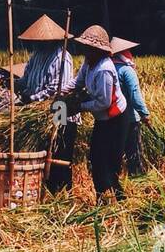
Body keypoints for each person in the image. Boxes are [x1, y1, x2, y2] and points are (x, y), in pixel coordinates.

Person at [15, 14, 78, 192]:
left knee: (60, 151)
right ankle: (47, 188)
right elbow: (26, 80)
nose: (37, 44)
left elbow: (58, 89)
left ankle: (63, 193)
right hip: (40, 110)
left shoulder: (62, 57)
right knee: (44, 151)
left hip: (61, 109)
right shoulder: (36, 56)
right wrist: (15, 85)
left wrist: (32, 98)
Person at [72, 25, 129, 201]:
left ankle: (112, 197)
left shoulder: (104, 68)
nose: (84, 50)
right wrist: (60, 93)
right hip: (103, 119)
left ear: (97, 49)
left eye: (88, 47)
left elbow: (104, 102)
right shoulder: (89, 62)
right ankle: (105, 196)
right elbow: (77, 82)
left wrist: (80, 106)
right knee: (96, 158)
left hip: (115, 118)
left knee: (106, 160)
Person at [110, 37, 151, 178]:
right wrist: (145, 114)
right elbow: (135, 95)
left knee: (115, 151)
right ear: (124, 52)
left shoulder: (108, 67)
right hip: (130, 118)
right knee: (134, 152)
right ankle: (137, 178)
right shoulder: (126, 70)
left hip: (111, 116)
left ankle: (114, 177)